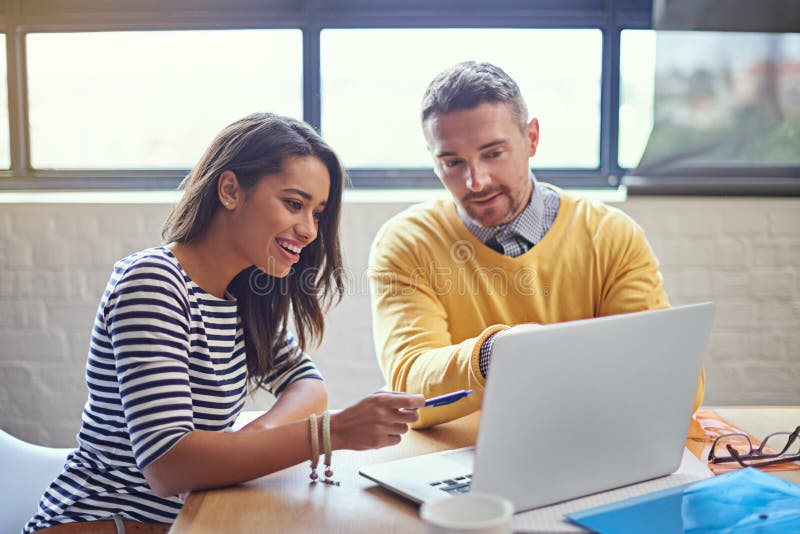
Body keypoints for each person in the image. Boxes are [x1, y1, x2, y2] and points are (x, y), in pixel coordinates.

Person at [25, 113, 424, 533]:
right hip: (103, 522)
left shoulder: (241, 296)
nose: (308, 230)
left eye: (317, 213)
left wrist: (248, 441)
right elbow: (169, 467)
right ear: (231, 190)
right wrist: (331, 434)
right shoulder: (153, 283)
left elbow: (309, 384)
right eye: (294, 204)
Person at [368, 61, 704, 429]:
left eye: (493, 153)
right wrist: (495, 355)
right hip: (462, 462)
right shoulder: (407, 243)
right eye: (452, 163)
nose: (476, 181)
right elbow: (408, 393)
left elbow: (674, 383)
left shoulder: (610, 236)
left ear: (531, 139)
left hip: (586, 445)